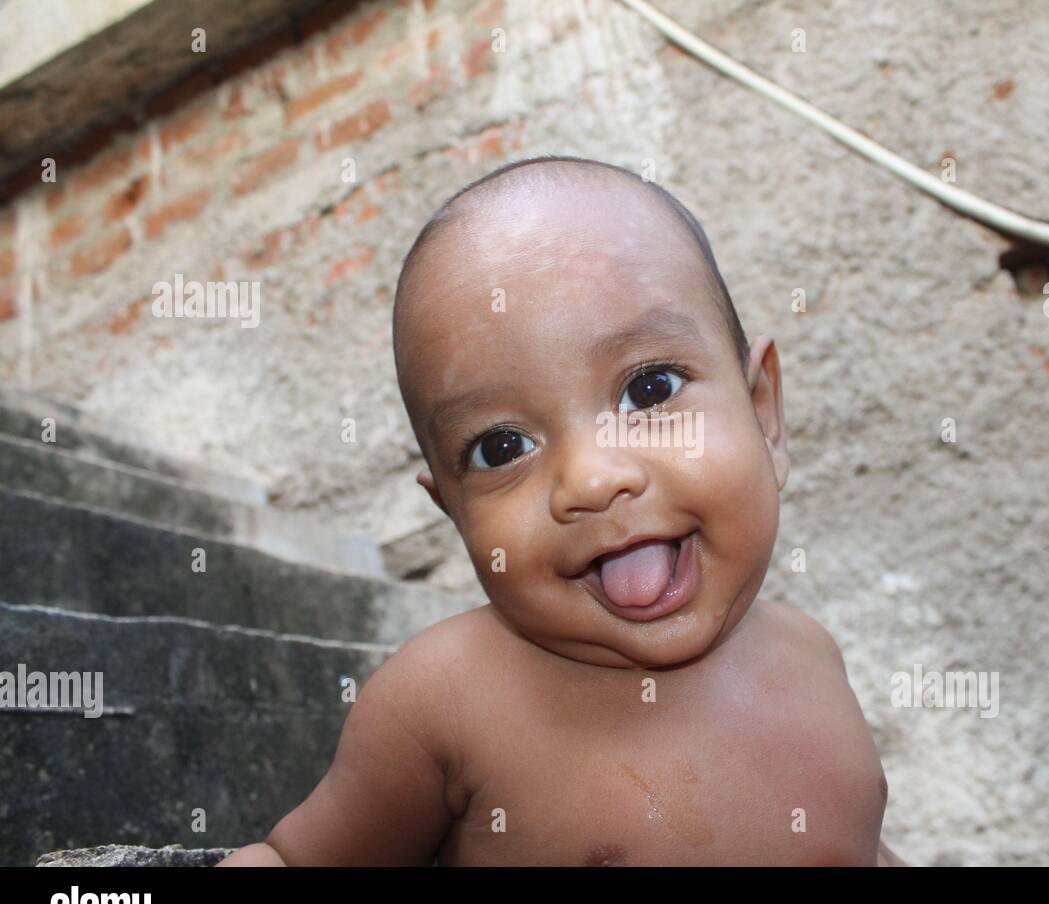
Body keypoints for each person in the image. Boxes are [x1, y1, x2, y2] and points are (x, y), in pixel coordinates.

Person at [218, 155, 905, 866]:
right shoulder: (445, 702)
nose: (592, 479)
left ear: (765, 414)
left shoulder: (811, 654)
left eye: (650, 390)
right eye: (501, 446)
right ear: (452, 512)